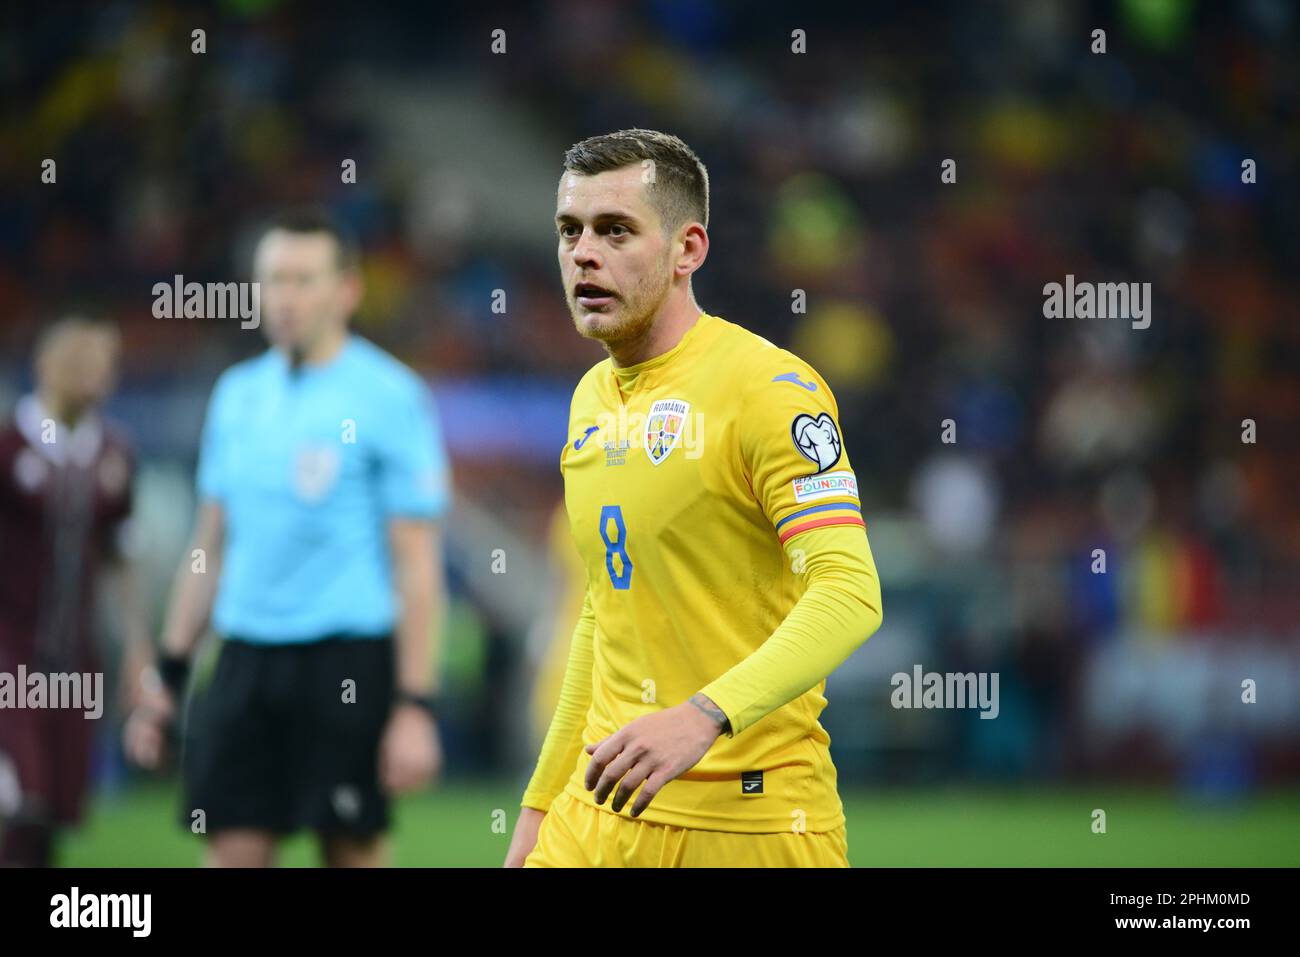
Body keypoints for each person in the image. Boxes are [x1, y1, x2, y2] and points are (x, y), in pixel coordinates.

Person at [505, 129, 884, 868]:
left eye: (616, 230)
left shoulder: (770, 391)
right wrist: (539, 807)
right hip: (597, 813)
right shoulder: (589, 399)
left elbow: (849, 590)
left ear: (688, 250)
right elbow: (603, 612)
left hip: (750, 821)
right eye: (570, 230)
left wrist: (705, 715)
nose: (585, 252)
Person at [125, 208, 451, 867]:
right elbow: (207, 547)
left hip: (346, 661)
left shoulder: (389, 394)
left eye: (303, 279)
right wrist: (169, 669)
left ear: (347, 290)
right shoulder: (237, 395)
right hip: (245, 659)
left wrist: (415, 705)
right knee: (232, 853)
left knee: (350, 854)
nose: (284, 297)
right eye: (272, 279)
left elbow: (416, 562)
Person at [0, 317, 146, 866]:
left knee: (54, 813)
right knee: (23, 795)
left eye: (102, 367)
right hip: (10, 648)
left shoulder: (114, 453)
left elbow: (120, 559)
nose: (92, 379)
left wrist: (136, 650)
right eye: (78, 364)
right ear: (44, 367)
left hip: (76, 656)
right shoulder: (8, 447)